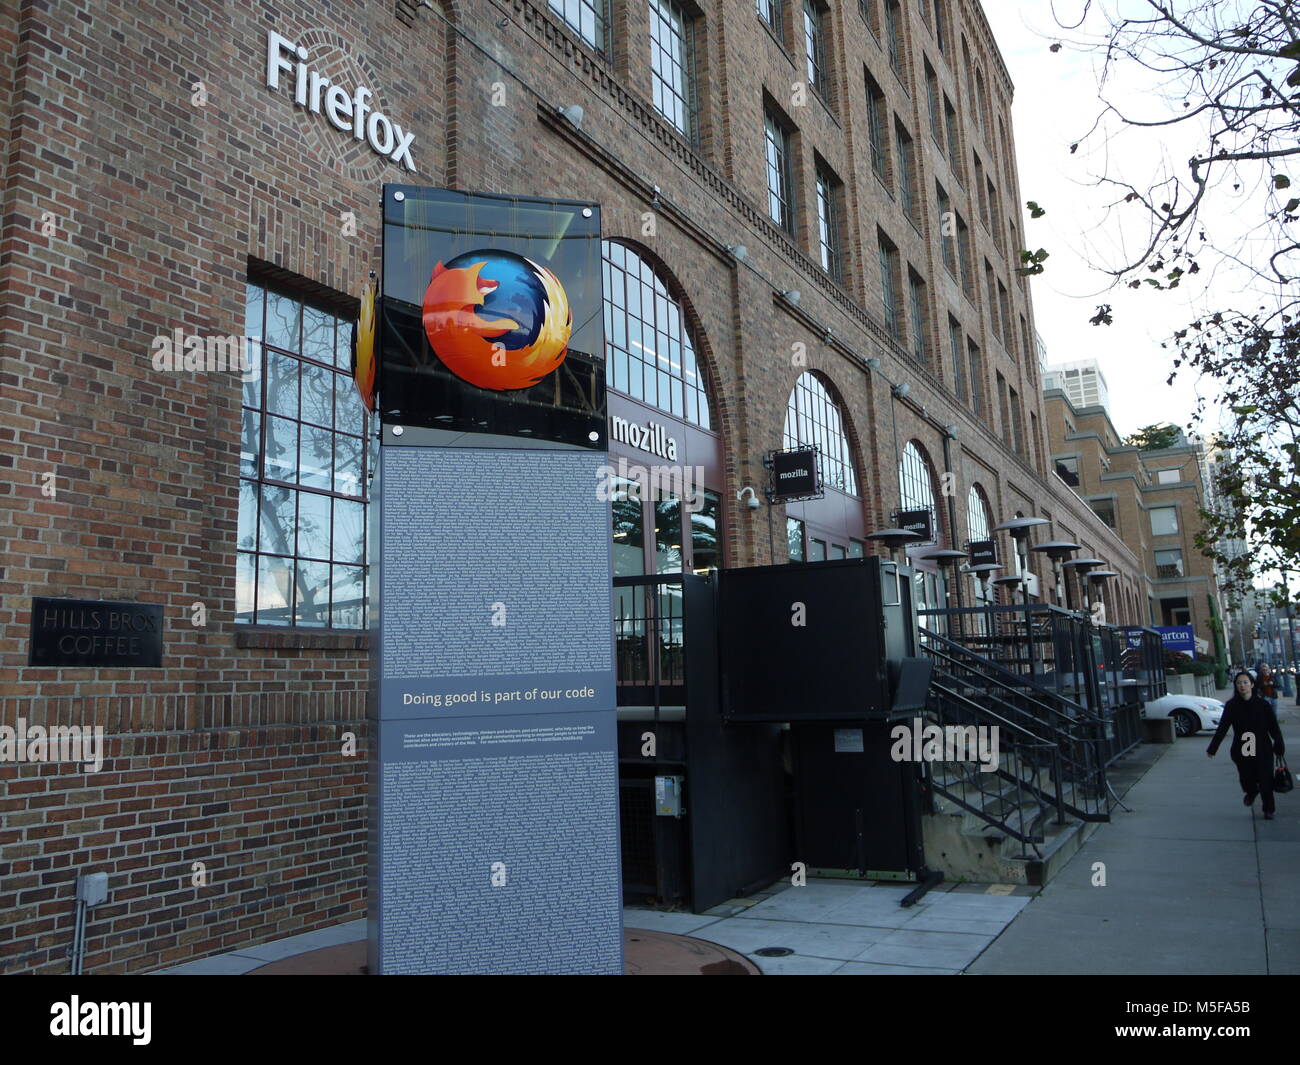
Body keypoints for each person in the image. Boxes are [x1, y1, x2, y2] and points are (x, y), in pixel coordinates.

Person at [1207, 671, 1286, 819]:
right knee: (1247, 777)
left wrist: (1279, 744)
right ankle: (1251, 792)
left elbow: (1274, 727)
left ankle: (1268, 809)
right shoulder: (1232, 706)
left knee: (1265, 780)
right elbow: (1223, 727)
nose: (1242, 686)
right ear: (1235, 686)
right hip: (1243, 747)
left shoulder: (1263, 705)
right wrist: (1213, 748)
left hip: (1262, 746)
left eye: (1245, 682)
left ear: (1252, 684)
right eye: (1239, 683)